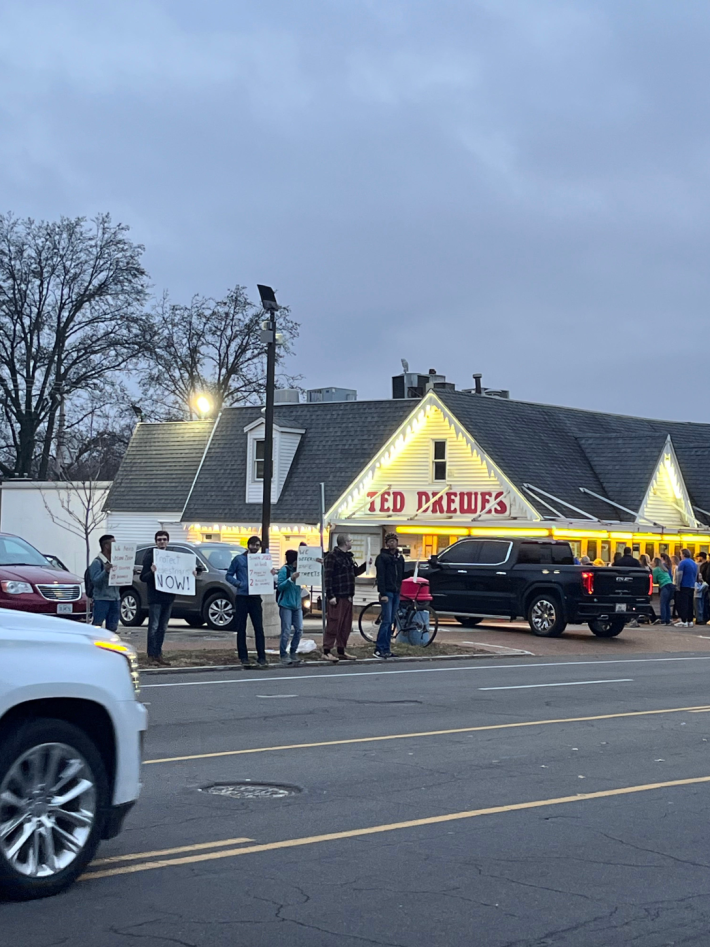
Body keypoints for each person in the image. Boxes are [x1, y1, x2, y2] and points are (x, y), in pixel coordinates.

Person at [140, 530, 196, 667]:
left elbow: (182, 571)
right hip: (155, 597)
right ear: (156, 542)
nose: (162, 542)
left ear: (168, 541)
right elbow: (143, 577)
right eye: (159, 539)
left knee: (163, 628)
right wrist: (152, 572)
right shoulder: (150, 556)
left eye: (164, 539)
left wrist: (192, 573)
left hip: (168, 597)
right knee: (153, 627)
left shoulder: (172, 557)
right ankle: (151, 655)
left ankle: (158, 654)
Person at [226, 535, 275, 669]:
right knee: (241, 627)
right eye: (253, 545)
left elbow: (267, 575)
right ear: (248, 545)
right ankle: (243, 657)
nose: (255, 547)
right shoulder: (239, 559)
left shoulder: (262, 560)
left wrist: (271, 573)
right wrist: (238, 583)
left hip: (255, 596)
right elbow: (228, 575)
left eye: (257, 545)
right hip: (242, 596)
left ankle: (262, 657)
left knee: (258, 627)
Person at [323, 534, 369, 662]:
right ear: (345, 542)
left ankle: (341, 650)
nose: (351, 542)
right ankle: (326, 651)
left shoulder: (348, 557)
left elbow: (355, 572)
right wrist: (330, 595)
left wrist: (366, 565)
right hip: (337, 596)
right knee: (334, 624)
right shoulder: (332, 556)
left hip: (348, 595)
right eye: (350, 541)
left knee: (345, 625)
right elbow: (328, 577)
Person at [374, 532, 405, 659]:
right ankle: (379, 648)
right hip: (387, 592)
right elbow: (380, 576)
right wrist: (382, 593)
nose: (392, 543)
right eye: (390, 541)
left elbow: (402, 574)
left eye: (394, 541)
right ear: (386, 544)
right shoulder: (382, 558)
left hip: (396, 591)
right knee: (386, 621)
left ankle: (386, 648)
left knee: (391, 621)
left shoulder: (399, 558)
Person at [277, 550, 303, 666]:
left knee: (299, 629)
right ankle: (283, 654)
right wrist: (290, 579)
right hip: (286, 604)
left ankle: (293, 651)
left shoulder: (300, 570)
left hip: (297, 605)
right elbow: (280, 587)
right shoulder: (284, 570)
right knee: (286, 630)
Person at [89, 534, 120, 632]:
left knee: (112, 628)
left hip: (115, 599)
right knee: (97, 626)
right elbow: (95, 581)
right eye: (113, 543)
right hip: (101, 599)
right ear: (106, 546)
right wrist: (105, 572)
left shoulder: (116, 561)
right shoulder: (97, 562)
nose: (116, 546)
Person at [674, 548, 698, 627]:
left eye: (681, 554)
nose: (680, 555)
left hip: (684, 585)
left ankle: (683, 620)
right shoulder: (694, 563)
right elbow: (696, 575)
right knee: (690, 604)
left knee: (683, 603)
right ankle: (690, 620)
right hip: (691, 585)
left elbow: (679, 575)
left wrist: (677, 585)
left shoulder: (682, 563)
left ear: (683, 554)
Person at [652, 556, 674, 625]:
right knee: (667, 604)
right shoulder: (664, 568)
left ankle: (663, 620)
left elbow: (654, 581)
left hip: (664, 586)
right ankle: (668, 619)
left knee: (663, 604)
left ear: (655, 562)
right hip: (671, 585)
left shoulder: (655, 569)